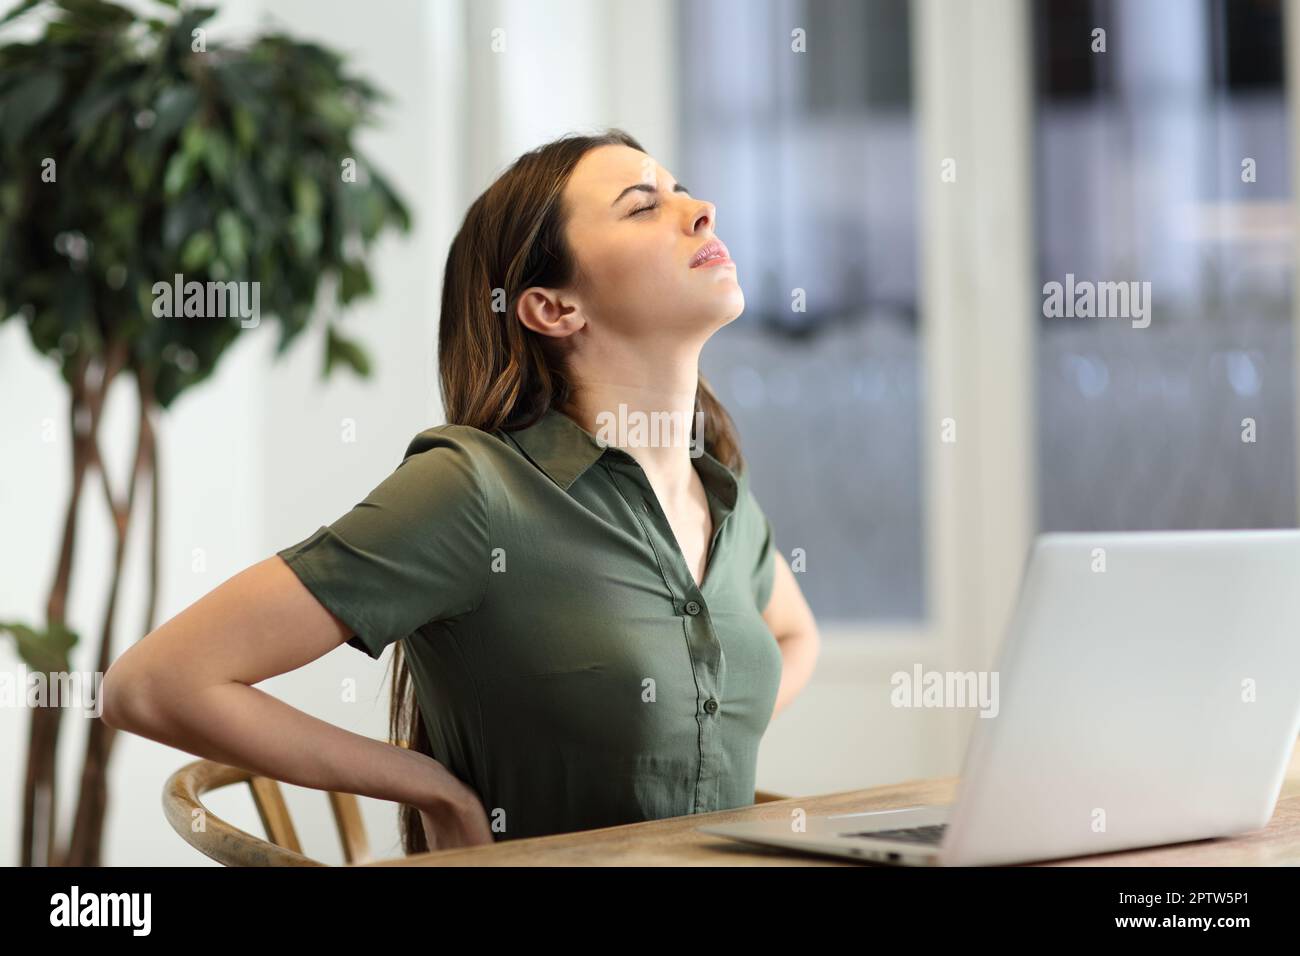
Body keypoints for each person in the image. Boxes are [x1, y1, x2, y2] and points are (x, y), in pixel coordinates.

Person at [102, 128, 820, 855]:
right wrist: (427, 784)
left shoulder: (720, 487)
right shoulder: (474, 490)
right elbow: (153, 683)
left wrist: (711, 730)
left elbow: (795, 635)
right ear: (552, 309)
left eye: (683, 190)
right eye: (642, 207)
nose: (702, 211)